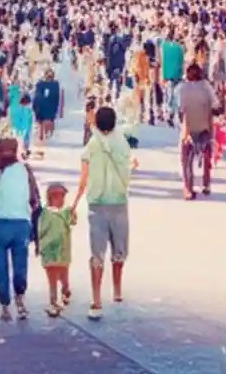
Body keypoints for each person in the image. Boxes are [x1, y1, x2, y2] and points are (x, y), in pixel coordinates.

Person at [69, 106, 136, 321]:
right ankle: (117, 290)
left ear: (97, 124)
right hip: (118, 202)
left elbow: (83, 179)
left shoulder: (91, 146)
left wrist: (74, 203)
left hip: (96, 205)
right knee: (120, 250)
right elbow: (128, 167)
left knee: (97, 254)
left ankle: (96, 300)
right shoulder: (122, 143)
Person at [0, 137, 41, 321]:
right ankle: (20, 300)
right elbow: (34, 199)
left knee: (1, 267)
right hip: (20, 225)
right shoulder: (25, 170)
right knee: (20, 265)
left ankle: (4, 306)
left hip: (0, 225)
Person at [177, 63, 217, 200]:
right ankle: (206, 184)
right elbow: (216, 104)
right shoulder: (206, 86)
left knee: (187, 159)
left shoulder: (183, 88)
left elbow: (180, 108)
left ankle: (188, 188)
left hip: (188, 128)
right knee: (207, 157)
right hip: (205, 127)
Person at [37, 182, 74, 317]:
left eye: (63, 196)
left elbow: (73, 221)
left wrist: (72, 214)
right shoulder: (44, 213)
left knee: (63, 274)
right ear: (50, 197)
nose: (61, 200)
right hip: (50, 250)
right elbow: (40, 231)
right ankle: (53, 301)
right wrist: (39, 246)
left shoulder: (66, 212)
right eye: (58, 196)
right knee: (52, 277)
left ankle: (65, 289)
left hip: (63, 251)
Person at [32, 69, 61, 160]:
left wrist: (35, 105)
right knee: (45, 121)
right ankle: (45, 135)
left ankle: (42, 136)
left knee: (41, 121)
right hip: (49, 106)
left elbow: (36, 96)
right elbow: (56, 97)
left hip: (41, 106)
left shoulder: (40, 84)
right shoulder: (55, 85)